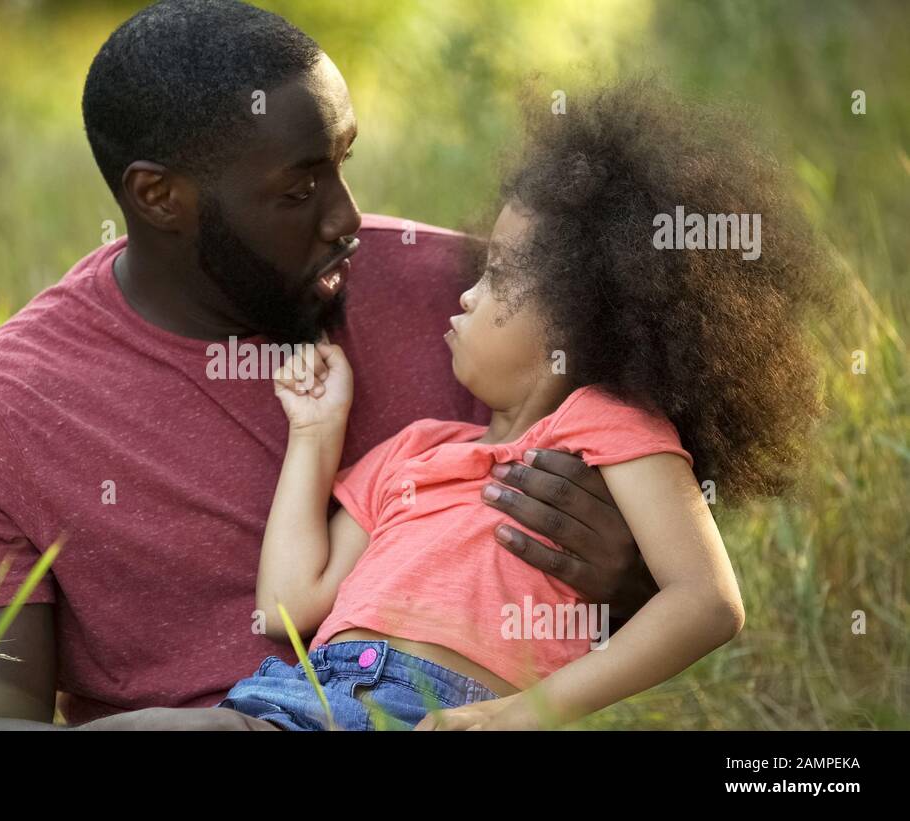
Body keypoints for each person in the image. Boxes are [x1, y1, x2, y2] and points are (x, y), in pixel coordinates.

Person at [0, 0, 660, 731]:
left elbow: (670, 552)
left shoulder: (473, 302)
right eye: (298, 190)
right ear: (160, 197)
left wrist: (625, 580)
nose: (347, 217)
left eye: (342, 160)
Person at [217, 79, 828, 730]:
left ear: (581, 316)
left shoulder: (604, 424)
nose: (469, 297)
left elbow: (707, 601)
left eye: (500, 274)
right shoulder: (416, 448)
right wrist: (314, 433)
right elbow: (287, 600)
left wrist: (519, 714)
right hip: (303, 695)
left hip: (440, 708)